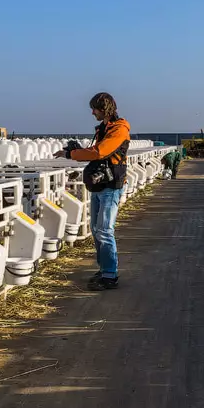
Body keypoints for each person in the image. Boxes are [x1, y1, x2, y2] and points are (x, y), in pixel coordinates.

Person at [55, 92, 131, 291]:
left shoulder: (119, 129)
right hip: (99, 185)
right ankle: (104, 268)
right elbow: (97, 153)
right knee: (97, 230)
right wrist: (76, 152)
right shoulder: (105, 128)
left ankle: (109, 275)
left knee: (105, 230)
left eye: (94, 109)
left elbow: (100, 152)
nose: (92, 112)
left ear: (103, 108)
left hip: (110, 186)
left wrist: (71, 153)